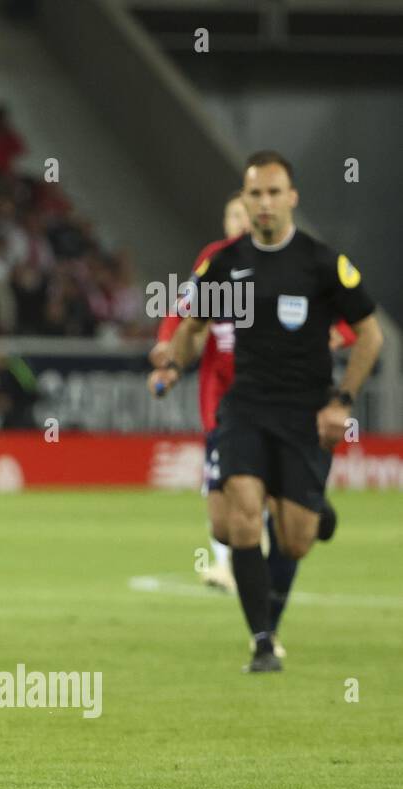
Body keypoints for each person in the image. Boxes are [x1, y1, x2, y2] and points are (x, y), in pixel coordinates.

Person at [150, 151, 384, 673]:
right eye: (255, 193)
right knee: (241, 520)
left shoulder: (323, 264)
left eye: (274, 192)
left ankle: (309, 511)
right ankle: (261, 641)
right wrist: (172, 361)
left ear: (292, 198)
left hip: (304, 414)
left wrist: (341, 400)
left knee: (297, 539)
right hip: (246, 408)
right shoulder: (226, 263)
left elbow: (371, 335)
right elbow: (191, 331)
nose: (264, 203)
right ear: (245, 198)